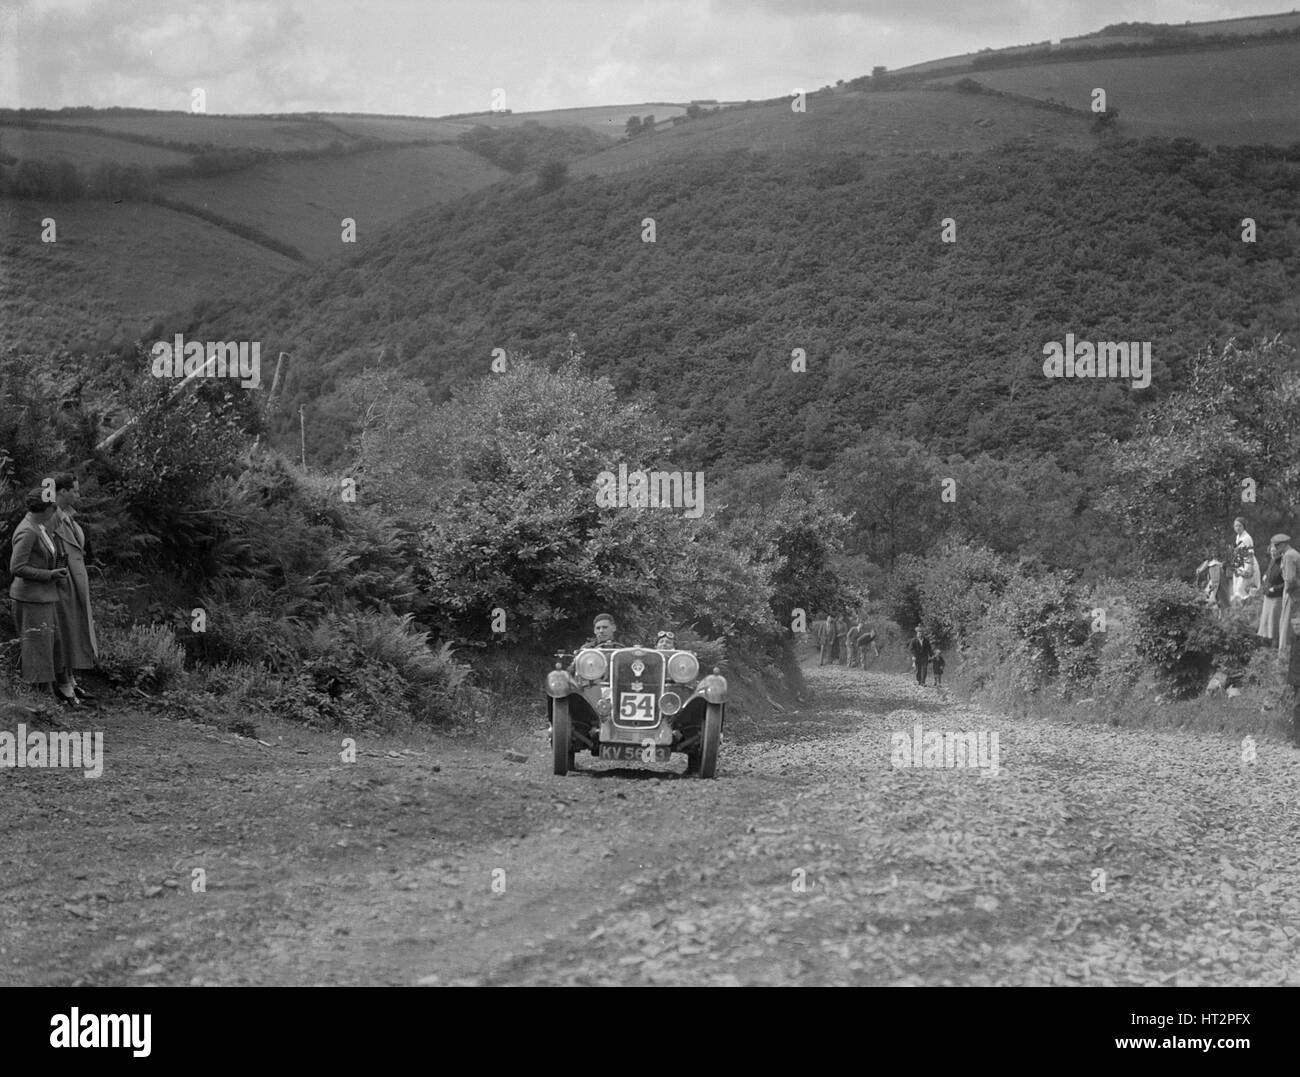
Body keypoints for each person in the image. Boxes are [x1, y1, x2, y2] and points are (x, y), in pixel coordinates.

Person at [8, 487, 72, 703]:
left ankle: (46, 697)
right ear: (44, 509)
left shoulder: (39, 527)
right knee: (37, 650)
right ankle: (39, 702)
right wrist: (49, 574)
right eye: (52, 508)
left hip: (43, 597)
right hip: (30, 599)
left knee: (50, 646)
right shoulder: (28, 531)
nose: (54, 512)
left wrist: (56, 566)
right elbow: (17, 567)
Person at [51, 474, 97, 700]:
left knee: (74, 628)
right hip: (62, 580)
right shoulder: (51, 518)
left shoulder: (69, 516)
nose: (78, 495)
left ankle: (70, 678)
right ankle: (62, 682)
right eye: (75, 491)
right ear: (62, 491)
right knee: (64, 630)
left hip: (75, 580)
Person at [1276, 535, 1300, 657]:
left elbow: (1290, 579)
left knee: (1286, 624)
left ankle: (1283, 655)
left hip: (1292, 594)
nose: (1276, 548)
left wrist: (1289, 592)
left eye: (1278, 545)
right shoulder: (1293, 553)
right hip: (1296, 593)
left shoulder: (1289, 556)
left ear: (1284, 544)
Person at [1258, 541, 1284, 645]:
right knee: (1266, 619)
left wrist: (1275, 589)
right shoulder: (1272, 561)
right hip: (1268, 595)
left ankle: (1275, 643)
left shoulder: (1283, 563)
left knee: (1274, 620)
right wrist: (1265, 576)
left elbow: (1286, 583)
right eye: (1272, 551)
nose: (1273, 553)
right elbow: (1268, 572)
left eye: (1275, 551)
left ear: (1279, 551)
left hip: (1277, 598)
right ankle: (1265, 641)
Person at [1230, 517, 1260, 605]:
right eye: (1236, 526)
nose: (1238, 528)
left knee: (1245, 589)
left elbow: (1250, 554)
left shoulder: (1247, 538)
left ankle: (1248, 610)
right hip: (1240, 563)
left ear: (1244, 526)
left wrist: (1250, 569)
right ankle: (1241, 612)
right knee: (1238, 589)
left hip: (1248, 563)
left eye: (1240, 526)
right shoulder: (1238, 537)